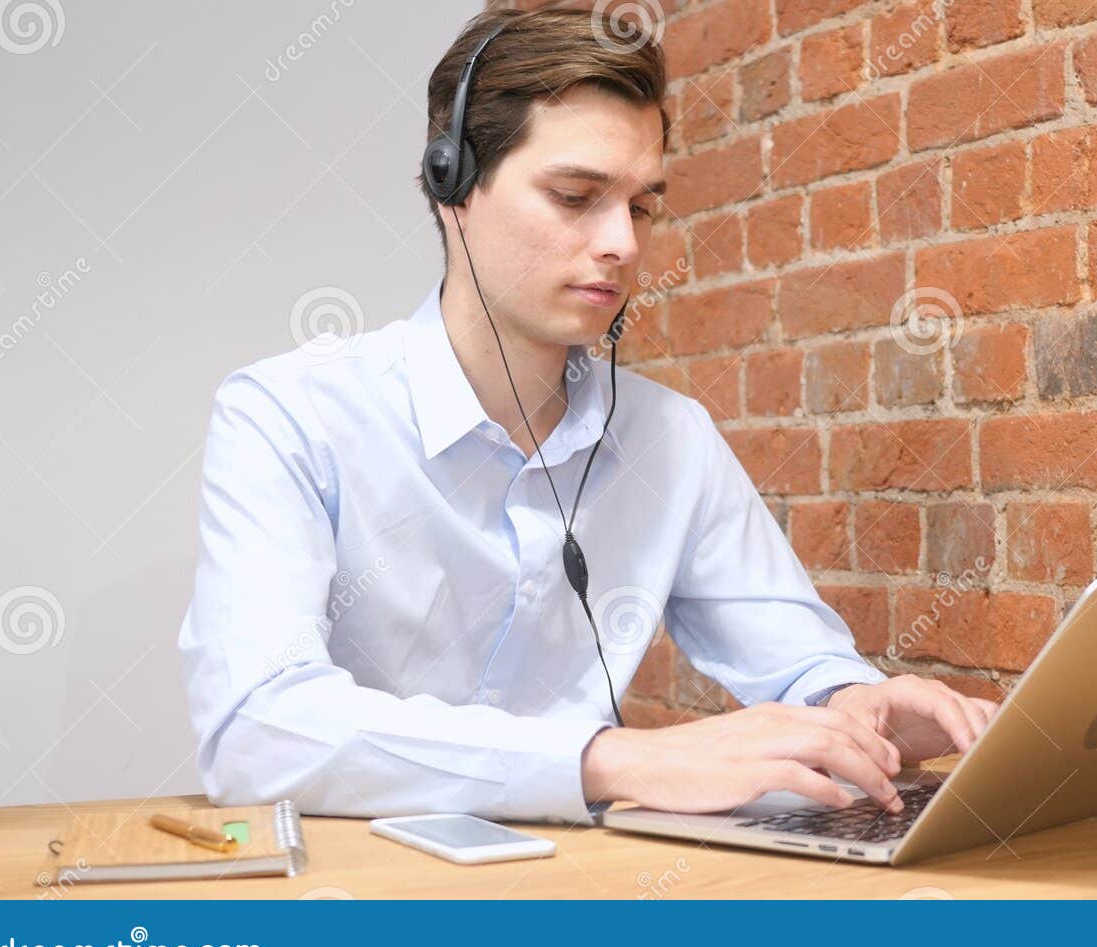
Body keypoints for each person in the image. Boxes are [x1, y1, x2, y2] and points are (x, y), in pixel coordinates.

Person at [178, 7, 997, 827]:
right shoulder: (289, 414)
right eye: (577, 196)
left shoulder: (670, 438)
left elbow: (793, 661)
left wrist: (858, 704)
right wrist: (612, 759)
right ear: (452, 183)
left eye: (641, 207)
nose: (623, 244)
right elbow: (255, 727)